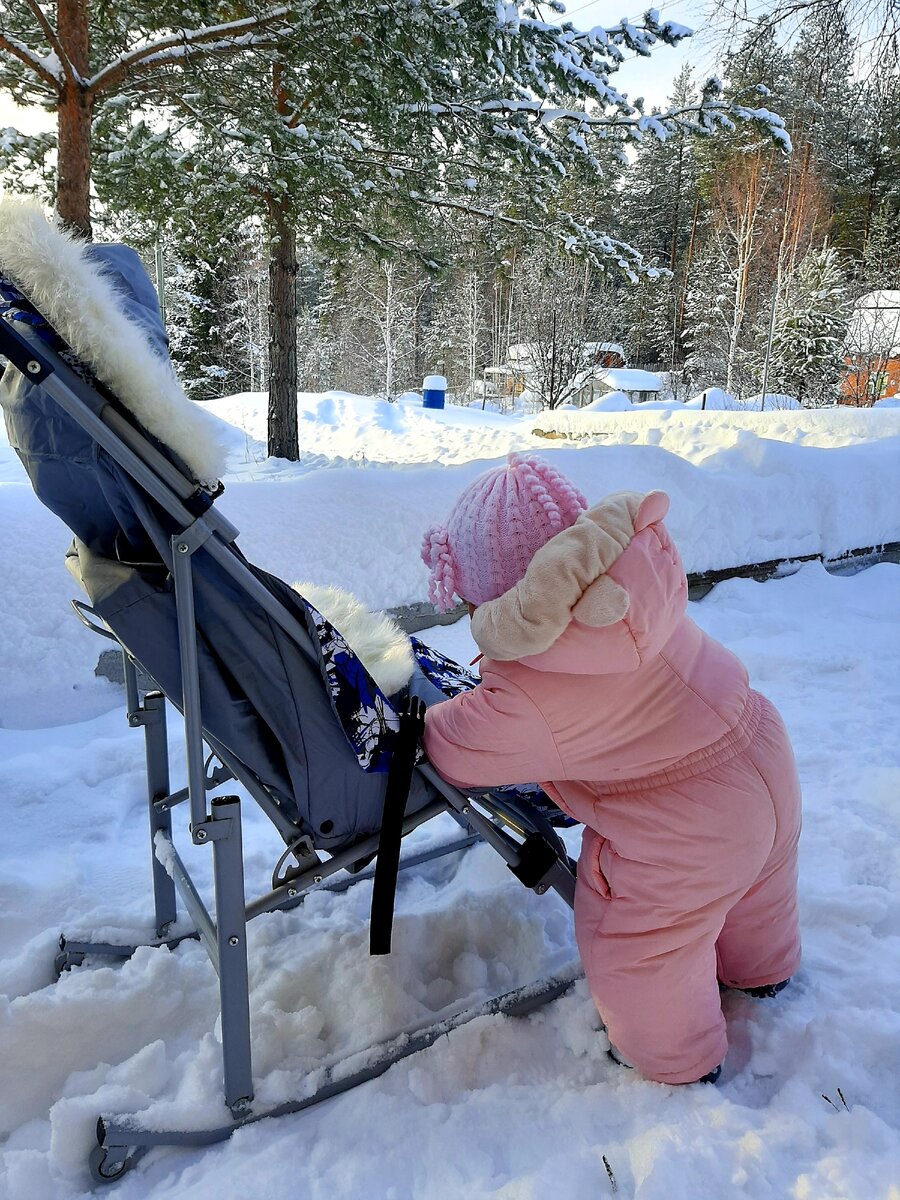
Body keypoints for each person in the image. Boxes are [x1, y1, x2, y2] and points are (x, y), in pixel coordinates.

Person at [421, 452, 801, 1085]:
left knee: (641, 944)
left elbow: (457, 752)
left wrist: (427, 717)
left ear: (491, 595)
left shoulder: (529, 687)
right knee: (757, 887)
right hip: (764, 750)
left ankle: (676, 1059)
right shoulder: (633, 597)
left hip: (685, 830)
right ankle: (763, 970)